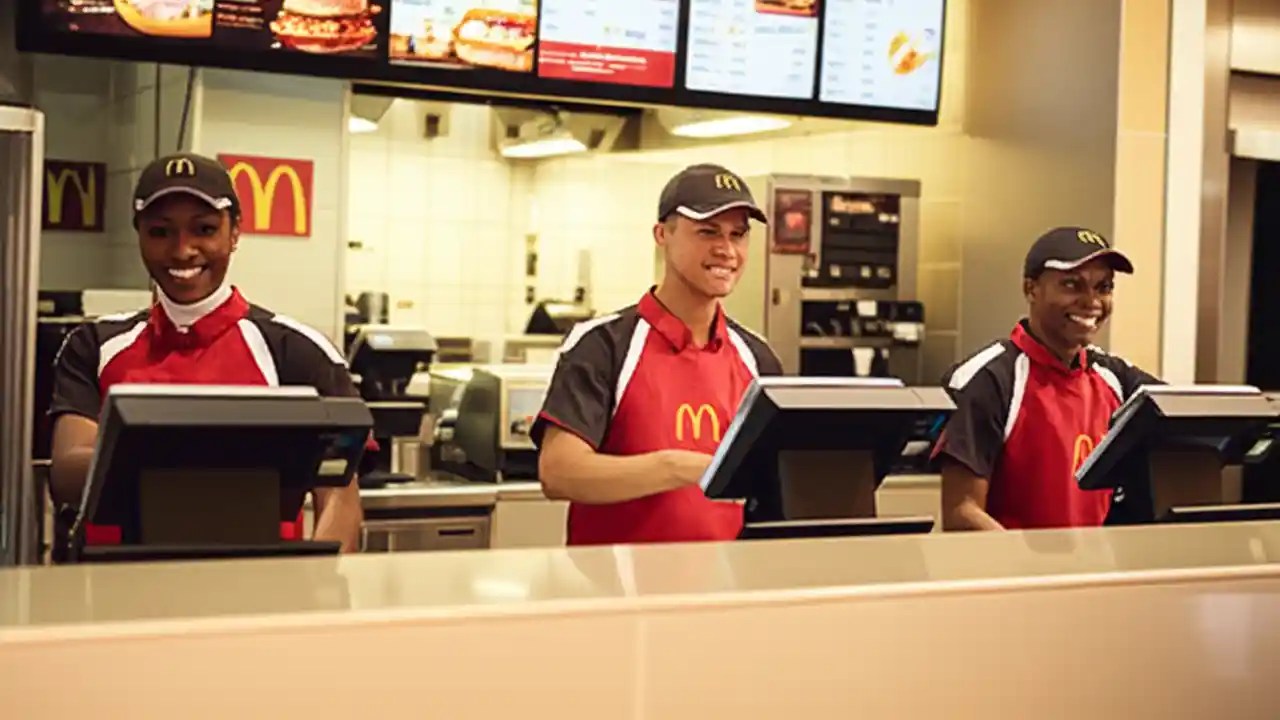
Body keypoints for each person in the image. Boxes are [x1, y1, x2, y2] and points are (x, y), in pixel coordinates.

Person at [47, 152, 365, 552]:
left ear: (235, 233)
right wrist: (221, 457)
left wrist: (316, 588)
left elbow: (339, 493)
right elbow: (67, 471)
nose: (182, 251)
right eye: (161, 232)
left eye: (204, 229)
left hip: (262, 592)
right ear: (139, 234)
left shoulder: (298, 351)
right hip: (119, 591)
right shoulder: (93, 345)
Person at [531, 163, 783, 545]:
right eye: (707, 232)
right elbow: (559, 472)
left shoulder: (757, 357)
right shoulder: (603, 346)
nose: (726, 250)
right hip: (618, 597)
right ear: (662, 234)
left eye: (738, 235)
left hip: (730, 591)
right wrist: (678, 467)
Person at [933, 226, 1161, 532]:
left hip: (1094, 574)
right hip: (1016, 576)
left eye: (1103, 287)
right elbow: (962, 512)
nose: (1091, 301)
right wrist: (1037, 573)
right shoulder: (989, 378)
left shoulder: (1116, 377)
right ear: (1031, 289)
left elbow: (1191, 414)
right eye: (1072, 285)